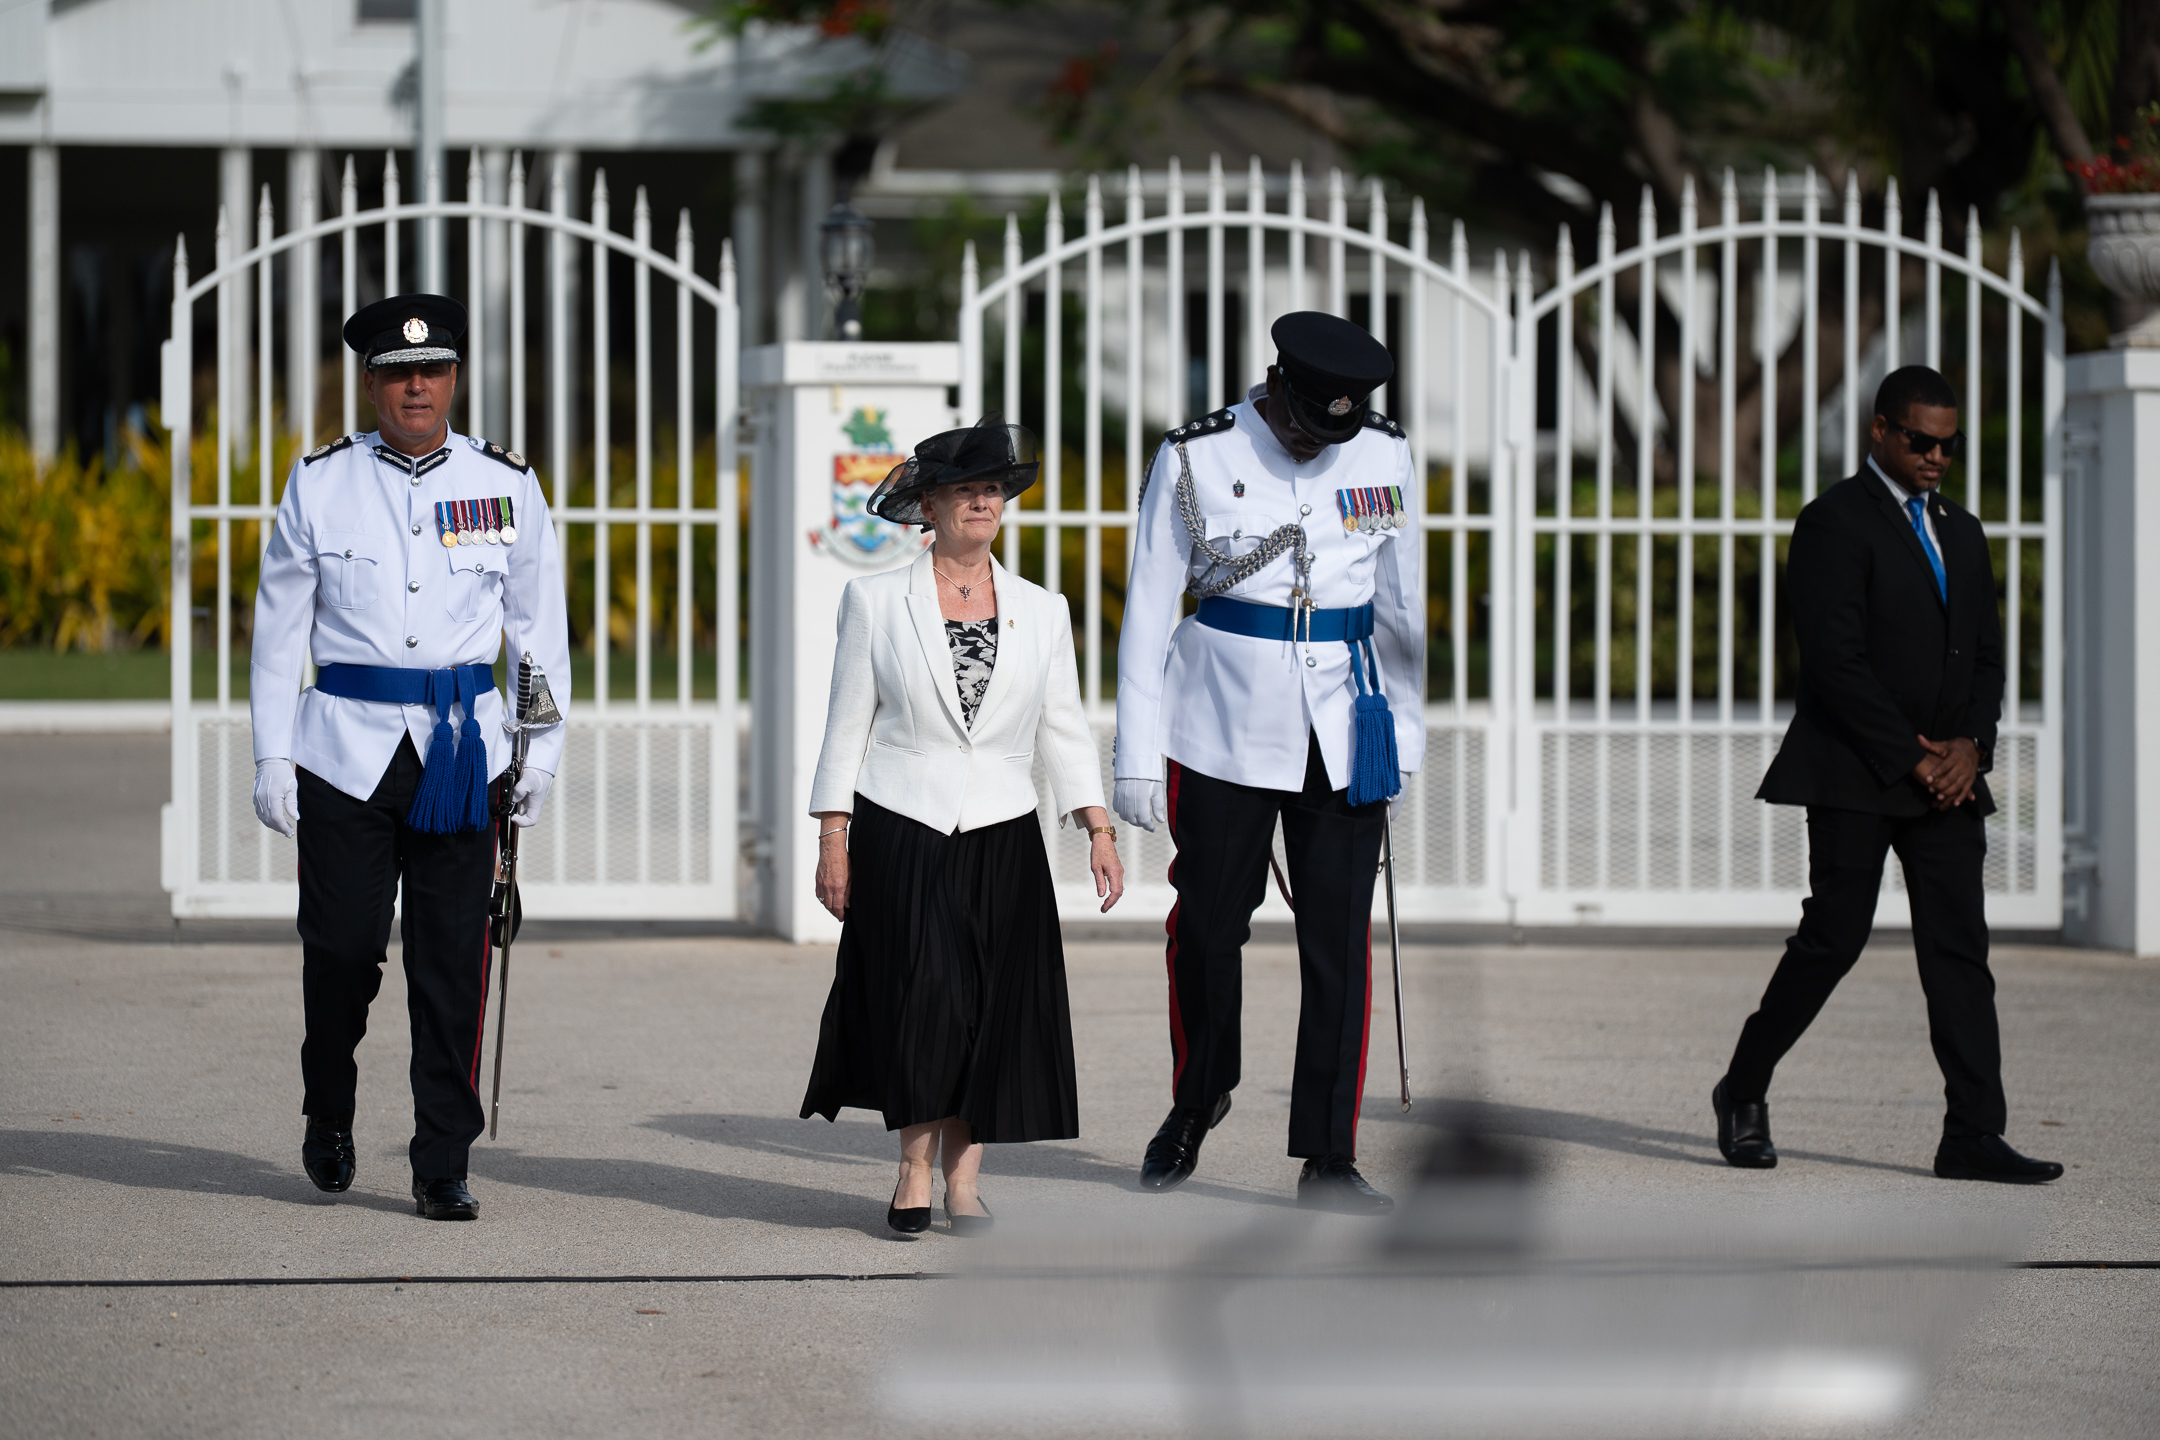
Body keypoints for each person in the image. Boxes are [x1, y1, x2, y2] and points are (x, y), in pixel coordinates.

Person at [249, 294, 572, 1221]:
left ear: (455, 379)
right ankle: (329, 1108)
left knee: (452, 967)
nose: (416, 385)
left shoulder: (506, 483)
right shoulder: (320, 483)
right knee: (343, 951)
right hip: (343, 752)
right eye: (397, 371)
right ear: (371, 382)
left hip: (461, 756)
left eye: (431, 371)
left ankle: (441, 1161)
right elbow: (279, 638)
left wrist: (540, 751)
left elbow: (535, 635)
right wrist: (274, 754)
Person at [1713, 365, 2061, 1184]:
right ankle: (1743, 1086)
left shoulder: (1965, 532)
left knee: (1960, 952)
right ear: (1880, 432)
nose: (1936, 456)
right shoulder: (1833, 522)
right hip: (1856, 772)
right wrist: (1914, 756)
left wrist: (1971, 746)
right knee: (1834, 938)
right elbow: (1835, 664)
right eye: (1920, 440)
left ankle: (1972, 1134)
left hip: (1948, 778)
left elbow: (1986, 657)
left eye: (1949, 444)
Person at [1113, 312, 1424, 1214]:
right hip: (1220, 721)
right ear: (1274, 381)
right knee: (1207, 929)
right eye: (1302, 420)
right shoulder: (1195, 453)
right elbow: (1146, 608)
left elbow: (1402, 605)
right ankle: (1197, 1096)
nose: (1315, 440)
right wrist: (1136, 754)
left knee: (1339, 944)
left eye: (1337, 423)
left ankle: (1329, 1154)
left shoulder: (1384, 454)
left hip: (1345, 719)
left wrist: (1402, 735)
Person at [799, 417, 1126, 1236]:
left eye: (994, 488)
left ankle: (965, 1183)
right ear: (930, 505)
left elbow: (1063, 724)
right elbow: (847, 726)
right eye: (965, 489)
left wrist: (1097, 827)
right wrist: (831, 839)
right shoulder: (874, 601)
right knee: (921, 1001)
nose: (983, 500)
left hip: (1006, 829)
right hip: (903, 824)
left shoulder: (1042, 610)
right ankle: (912, 1170)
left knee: (995, 1008)